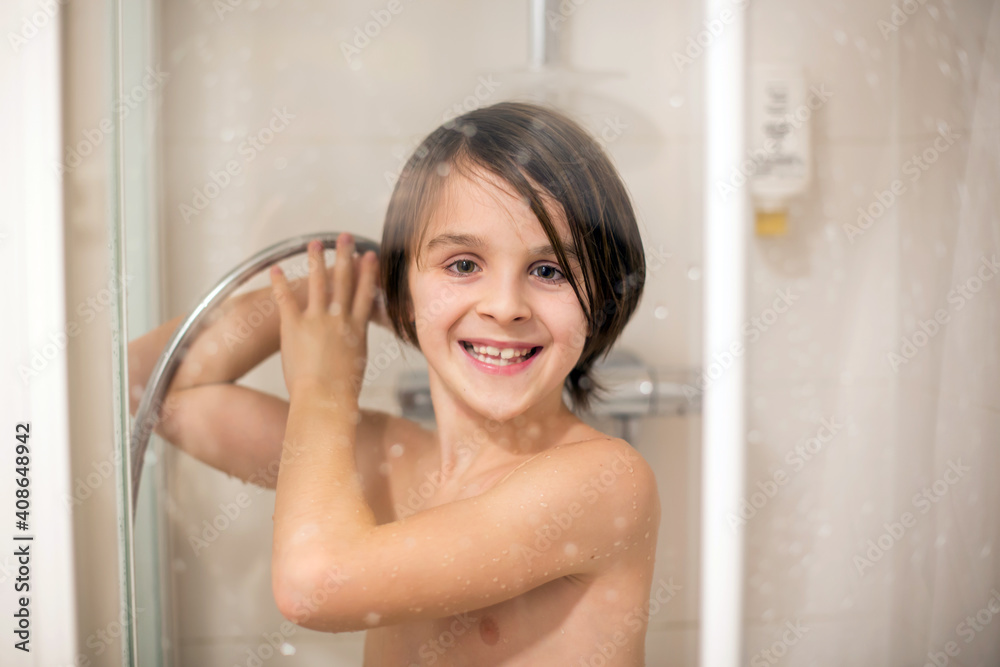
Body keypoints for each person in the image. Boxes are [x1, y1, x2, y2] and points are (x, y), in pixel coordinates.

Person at [129, 101, 660, 666]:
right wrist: (335, 293)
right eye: (462, 265)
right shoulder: (396, 463)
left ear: (600, 302)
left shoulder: (605, 481)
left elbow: (314, 587)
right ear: (404, 292)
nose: (505, 307)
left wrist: (324, 390)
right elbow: (144, 389)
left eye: (548, 270)